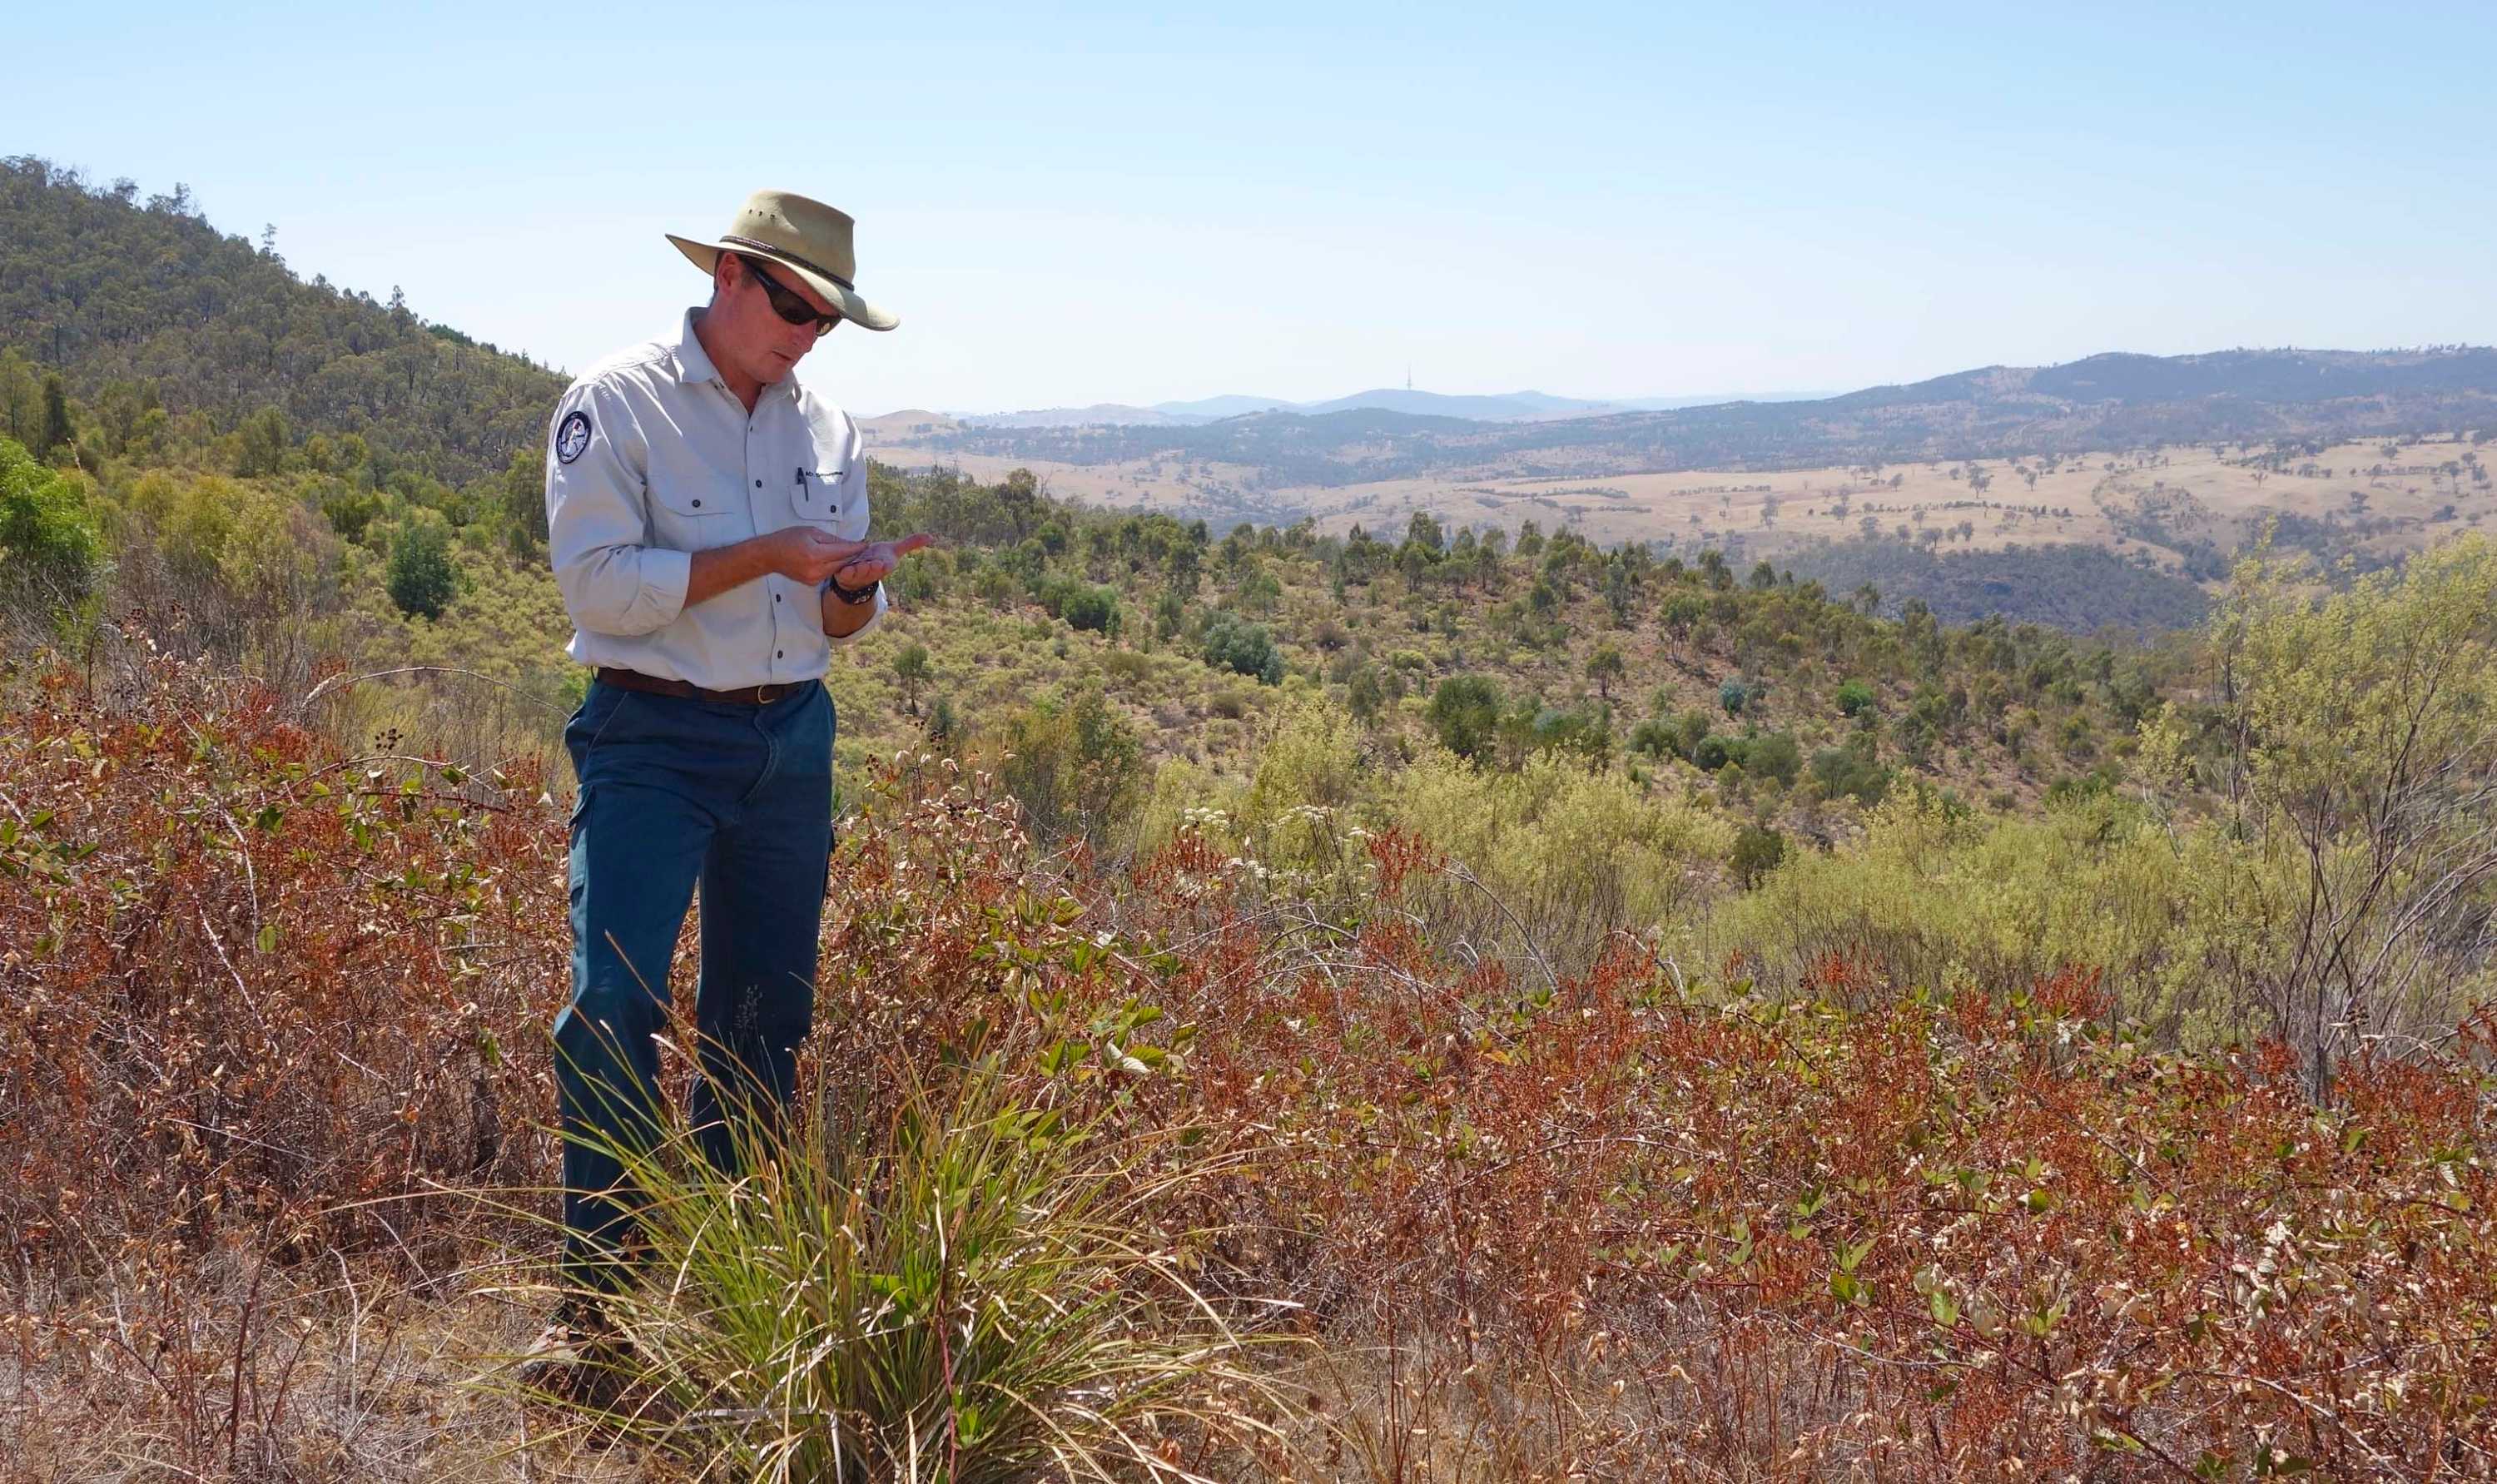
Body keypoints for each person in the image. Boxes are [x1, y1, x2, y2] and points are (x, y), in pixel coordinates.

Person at [524, 189, 932, 1389]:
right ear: (733, 278)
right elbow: (597, 593)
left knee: (766, 1021)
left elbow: (839, 626)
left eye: (830, 321)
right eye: (798, 309)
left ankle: (728, 1280)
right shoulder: (618, 402)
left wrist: (852, 587)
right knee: (613, 1005)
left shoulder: (831, 434)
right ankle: (592, 1311)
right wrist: (763, 553)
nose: (809, 337)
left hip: (791, 739)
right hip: (651, 734)